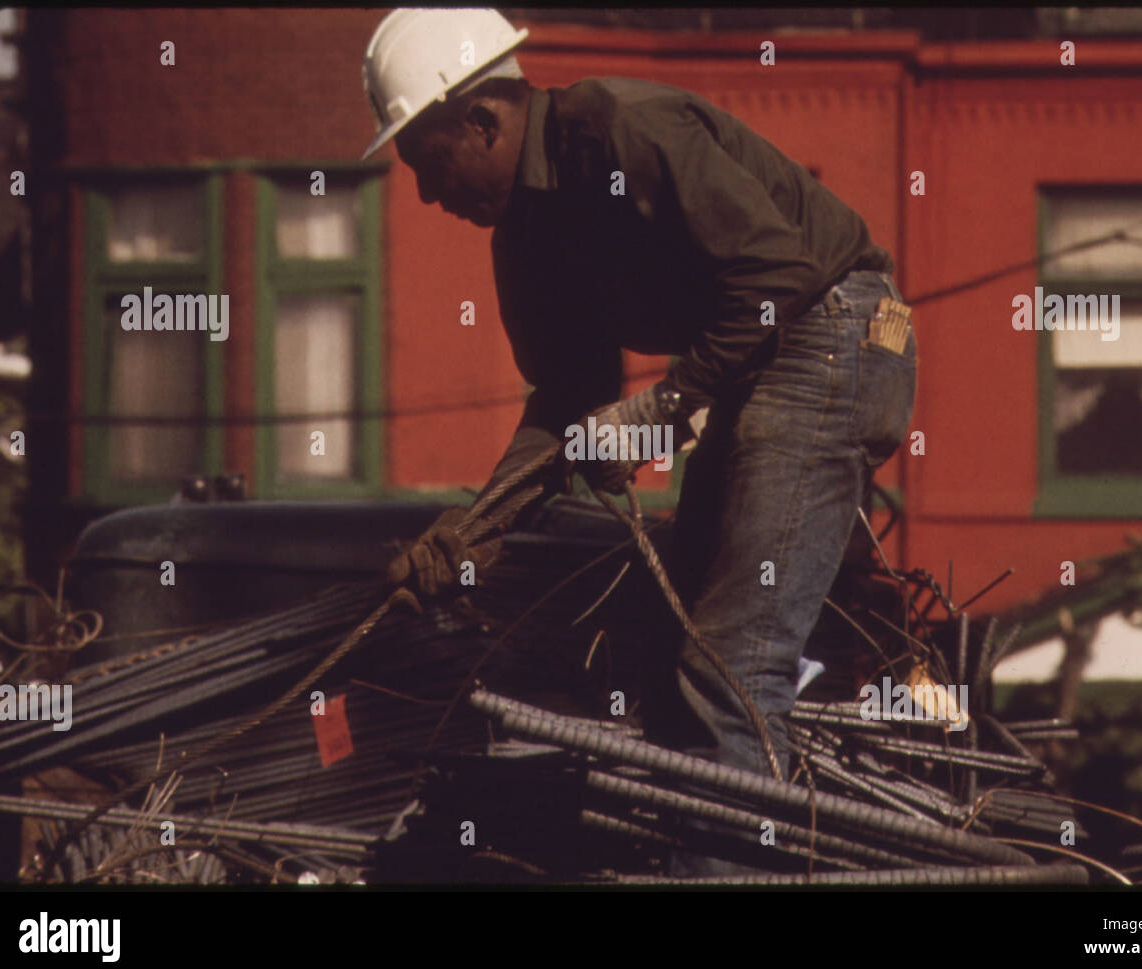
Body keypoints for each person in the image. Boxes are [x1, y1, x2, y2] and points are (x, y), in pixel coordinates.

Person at [364, 8, 917, 876]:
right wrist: (474, 532)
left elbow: (776, 278)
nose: (430, 197)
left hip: (832, 327)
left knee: (734, 665)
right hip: (762, 362)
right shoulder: (526, 235)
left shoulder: (620, 130)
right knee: (671, 667)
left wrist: (664, 406)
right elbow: (566, 397)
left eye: (428, 166)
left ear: (480, 120)